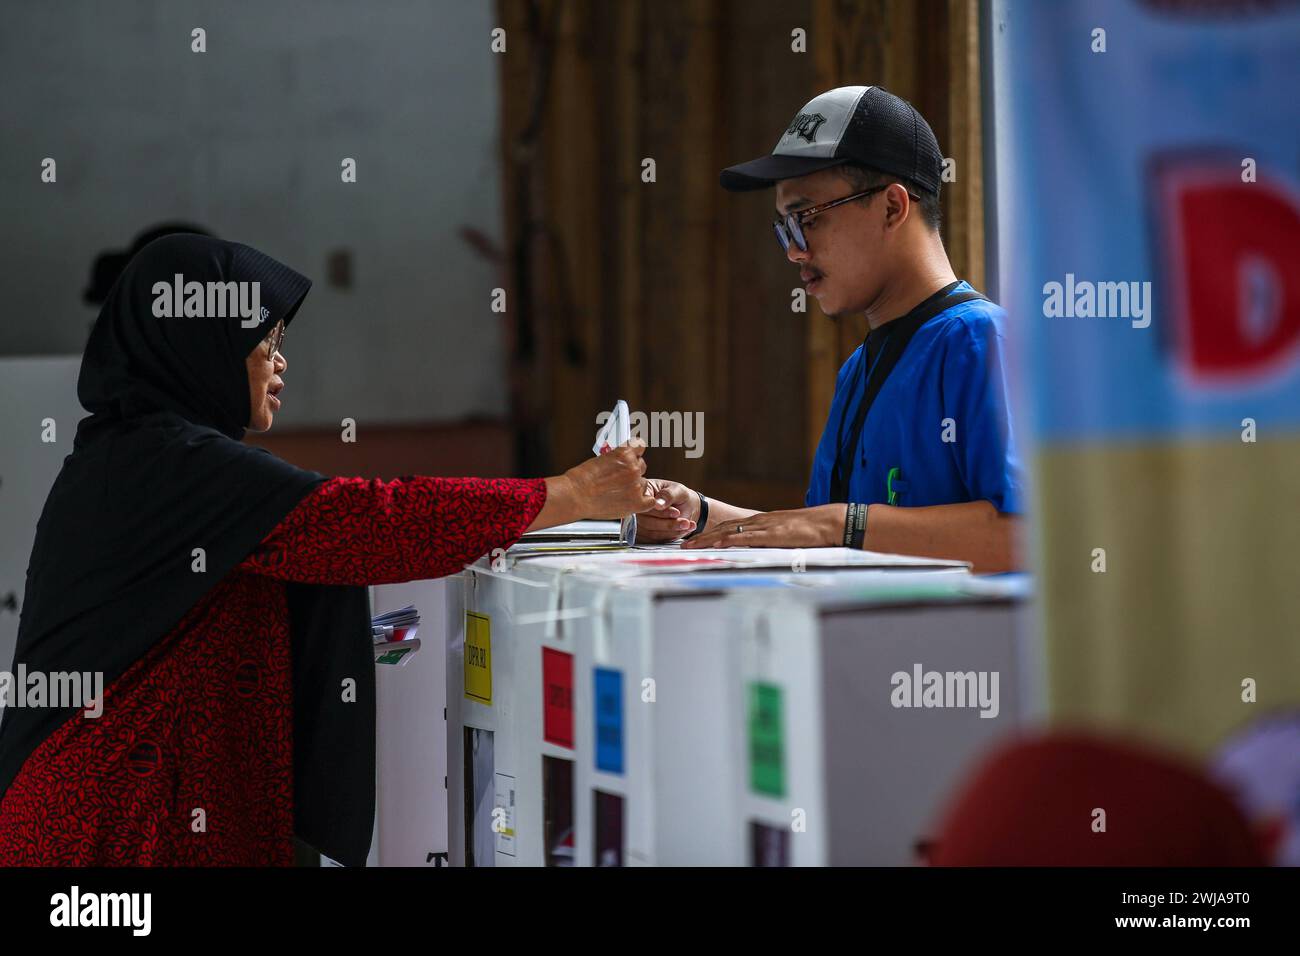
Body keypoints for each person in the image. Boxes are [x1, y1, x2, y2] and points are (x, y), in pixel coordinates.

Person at [0, 234, 652, 866]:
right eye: (265, 339)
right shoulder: (164, 464)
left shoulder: (149, 454)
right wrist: (568, 493)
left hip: (138, 808)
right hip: (104, 821)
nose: (280, 361)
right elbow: (365, 522)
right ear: (199, 341)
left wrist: (581, 517)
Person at [638, 86, 1024, 573]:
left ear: (892, 207)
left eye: (806, 219)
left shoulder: (982, 342)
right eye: (784, 228)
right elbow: (837, 539)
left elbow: (1028, 538)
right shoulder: (858, 369)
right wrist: (700, 514)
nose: (793, 251)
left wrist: (835, 524)